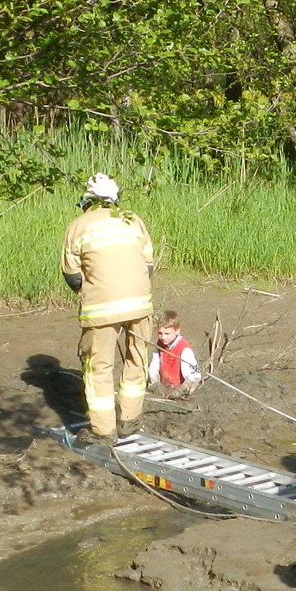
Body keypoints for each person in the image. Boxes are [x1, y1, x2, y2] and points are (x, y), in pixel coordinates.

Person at [61, 174, 156, 440]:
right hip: (140, 305)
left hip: (101, 309)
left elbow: (72, 276)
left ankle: (104, 431)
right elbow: (148, 265)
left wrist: (90, 291)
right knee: (137, 358)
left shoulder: (78, 226)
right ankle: (130, 418)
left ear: (87, 200)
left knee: (99, 367)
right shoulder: (133, 220)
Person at [155, 313, 201, 399]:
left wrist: (181, 389)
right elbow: (153, 368)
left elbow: (195, 376)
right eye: (160, 333)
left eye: (167, 333)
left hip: (179, 389)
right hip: (164, 387)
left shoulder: (184, 349)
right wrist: (155, 384)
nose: (163, 337)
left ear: (177, 331)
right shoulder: (159, 345)